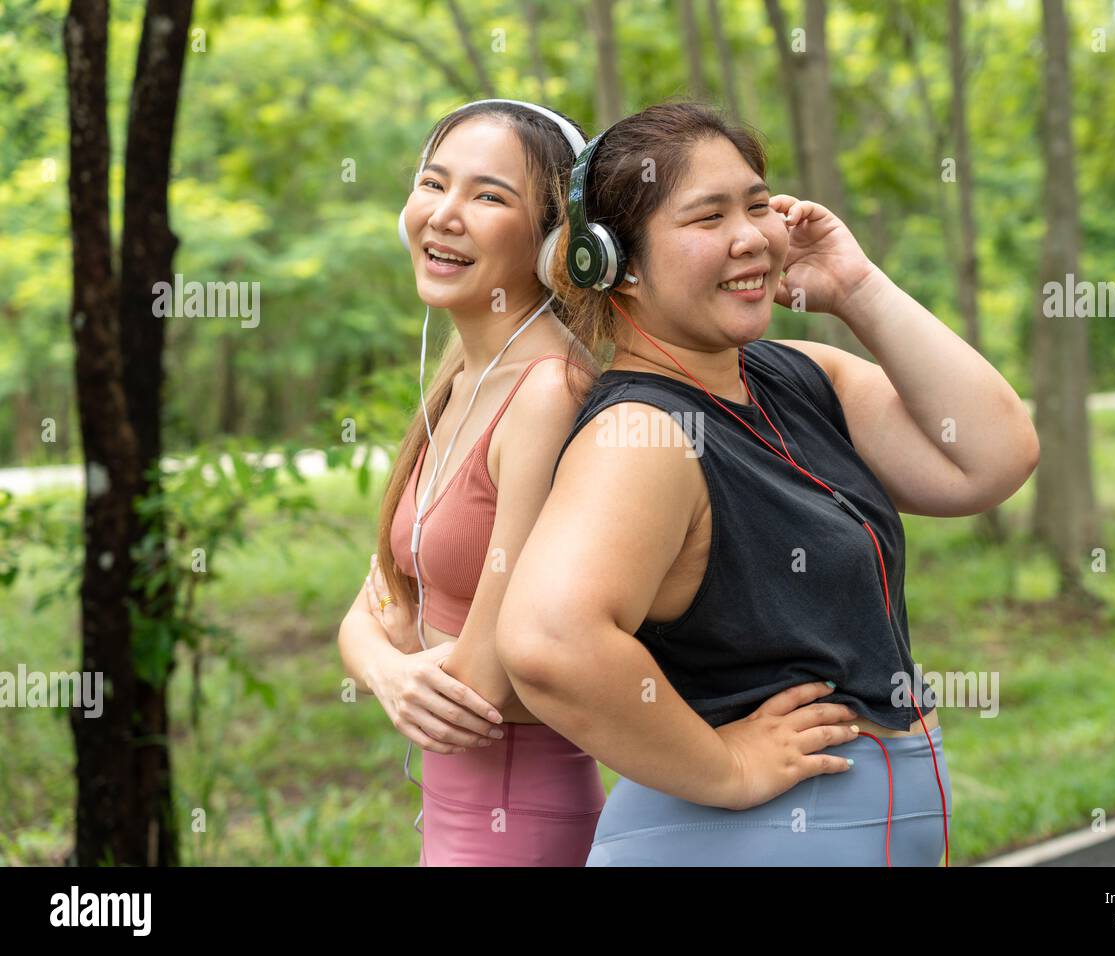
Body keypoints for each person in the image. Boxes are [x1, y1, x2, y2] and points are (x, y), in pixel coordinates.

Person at [496, 101, 1040, 866]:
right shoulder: (643, 432)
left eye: (758, 203)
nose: (750, 235)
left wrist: (854, 286)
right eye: (707, 217)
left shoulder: (798, 377)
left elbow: (990, 457)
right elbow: (549, 642)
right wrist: (729, 767)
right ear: (616, 261)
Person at [336, 99, 604, 866]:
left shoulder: (549, 391)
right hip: (449, 820)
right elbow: (366, 612)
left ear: (555, 240)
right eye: (432, 184)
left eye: (489, 196)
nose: (444, 215)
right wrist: (390, 668)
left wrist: (396, 648)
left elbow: (488, 676)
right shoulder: (458, 376)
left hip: (521, 821)